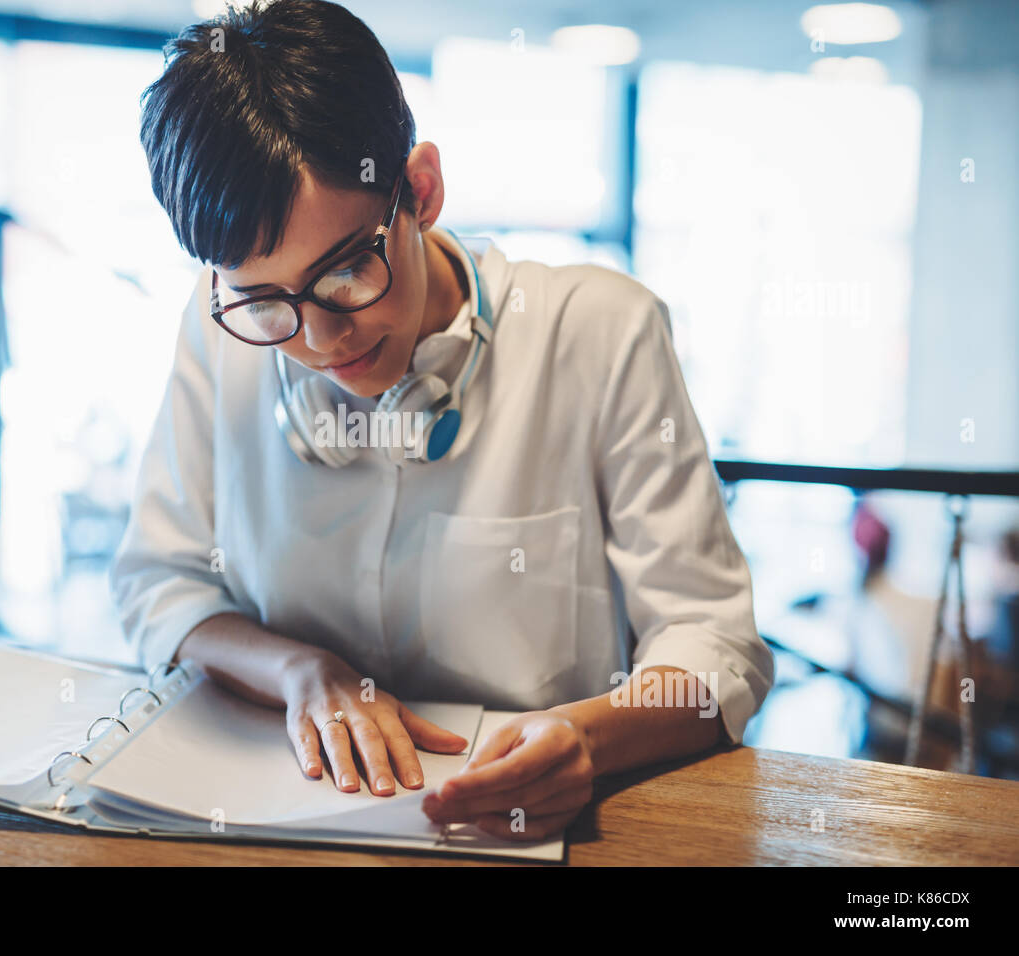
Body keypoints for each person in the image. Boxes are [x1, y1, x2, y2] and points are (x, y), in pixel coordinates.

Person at [112, 0, 774, 842]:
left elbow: (713, 643)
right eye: (264, 299)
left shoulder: (600, 331)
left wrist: (589, 739)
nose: (318, 340)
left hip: (529, 835)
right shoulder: (218, 332)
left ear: (419, 191)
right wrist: (299, 671)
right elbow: (158, 583)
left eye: (347, 271)